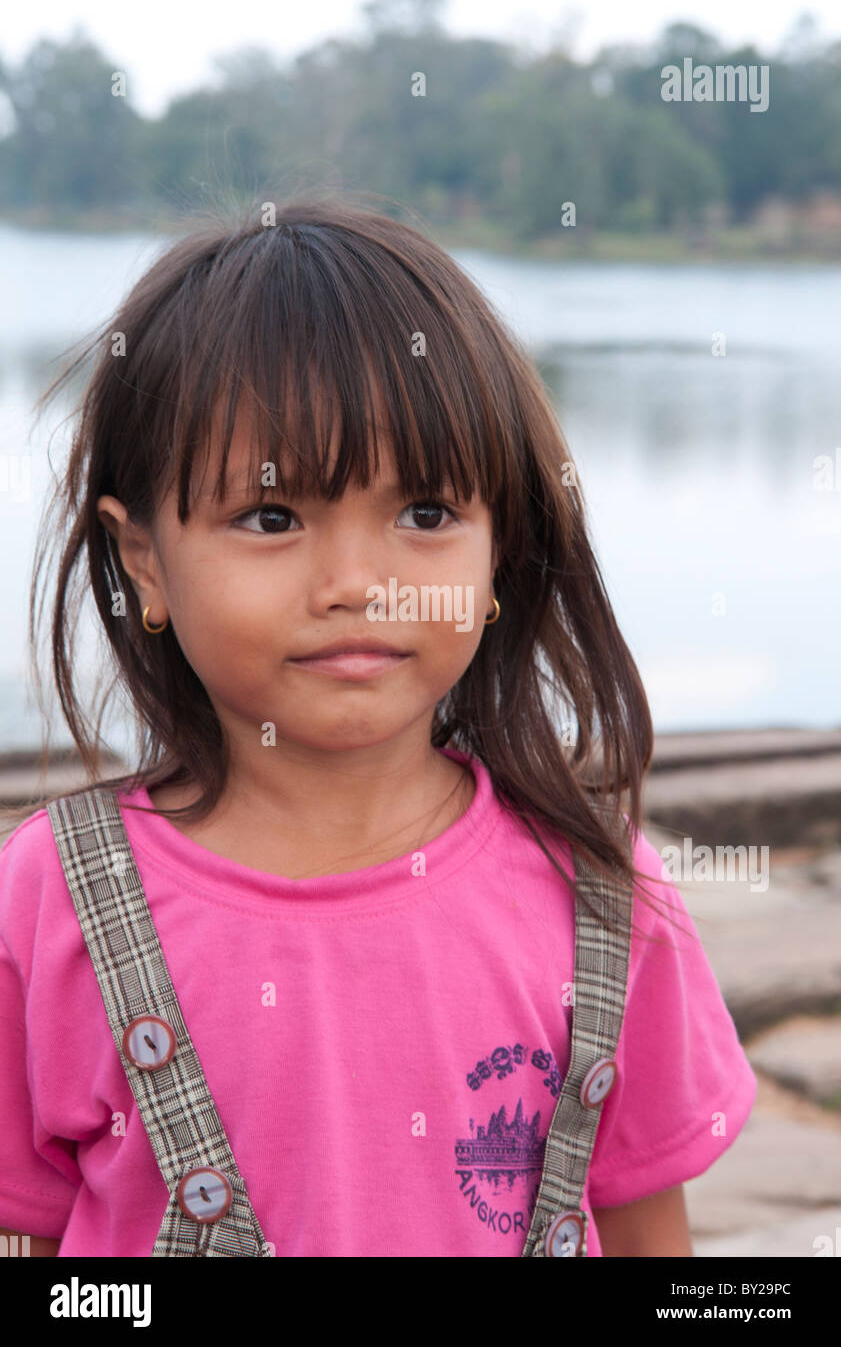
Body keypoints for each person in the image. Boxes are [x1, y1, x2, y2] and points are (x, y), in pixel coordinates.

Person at [0, 197, 756, 1257]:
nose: (357, 584)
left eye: (426, 514)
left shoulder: (603, 895)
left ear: (501, 546)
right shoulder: (47, 904)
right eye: (270, 518)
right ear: (144, 562)